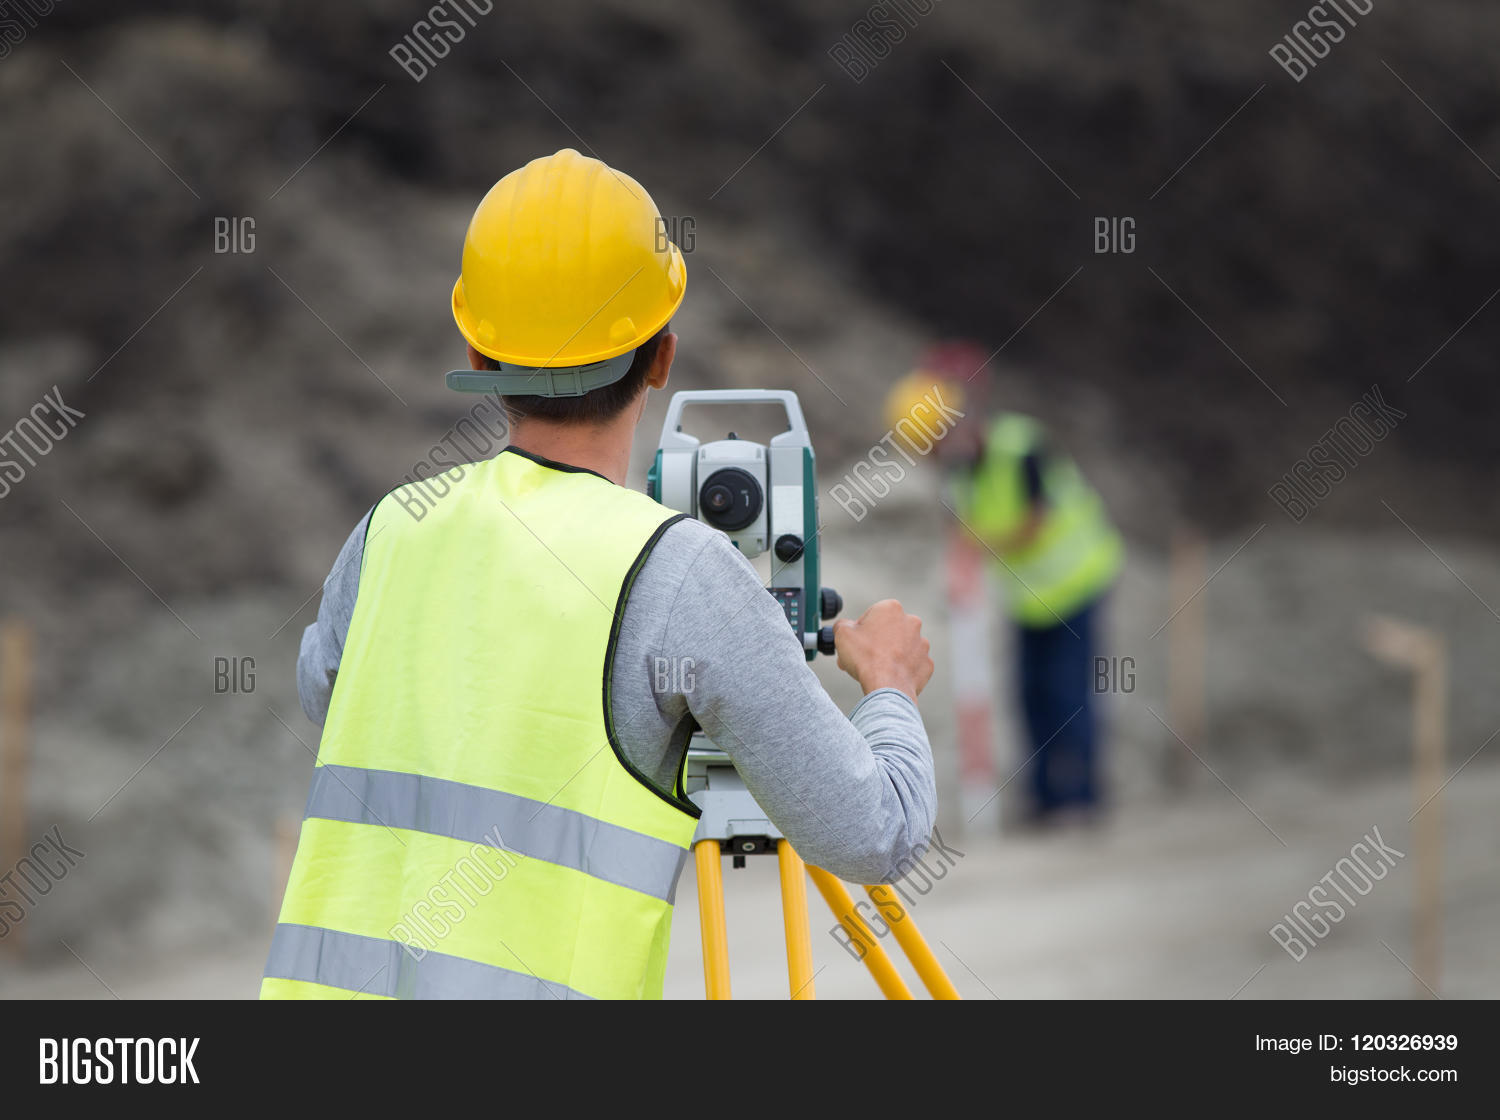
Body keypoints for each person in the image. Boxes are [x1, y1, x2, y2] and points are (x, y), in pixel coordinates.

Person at [261, 150, 936, 1000]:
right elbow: (874, 834)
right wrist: (890, 690)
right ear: (662, 358)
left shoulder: (390, 529)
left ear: (477, 346)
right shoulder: (682, 573)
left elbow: (334, 697)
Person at [887, 367, 1122, 827]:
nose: (929, 458)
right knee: (1029, 696)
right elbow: (960, 538)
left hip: (1076, 584)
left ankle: (1083, 800)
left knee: (1068, 694)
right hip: (1028, 599)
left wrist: (982, 543)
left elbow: (1036, 522)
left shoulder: (1021, 446)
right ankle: (1044, 801)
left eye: (929, 446)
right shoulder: (958, 476)